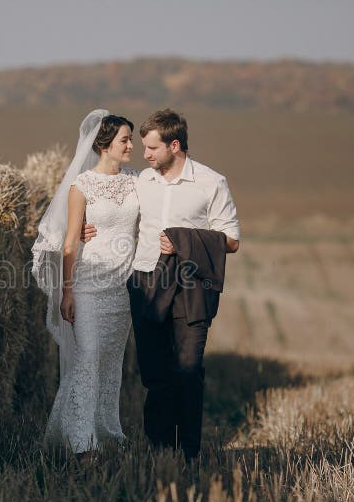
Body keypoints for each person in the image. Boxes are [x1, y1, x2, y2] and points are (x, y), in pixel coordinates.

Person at [82, 108, 241, 460]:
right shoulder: (140, 180)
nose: (145, 155)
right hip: (146, 282)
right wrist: (86, 228)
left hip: (191, 286)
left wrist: (184, 240)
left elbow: (231, 240)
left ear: (175, 145)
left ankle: (188, 453)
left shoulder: (212, 183)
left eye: (152, 148)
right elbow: (109, 207)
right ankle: (159, 449)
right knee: (154, 372)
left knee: (187, 370)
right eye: (142, 148)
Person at [31, 110, 139, 459]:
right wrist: (67, 291)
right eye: (125, 139)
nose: (131, 145)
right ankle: (80, 443)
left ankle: (104, 431)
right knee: (87, 357)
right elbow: (69, 242)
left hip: (122, 290)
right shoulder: (83, 185)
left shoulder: (138, 181)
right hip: (89, 286)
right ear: (105, 144)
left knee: (109, 364)